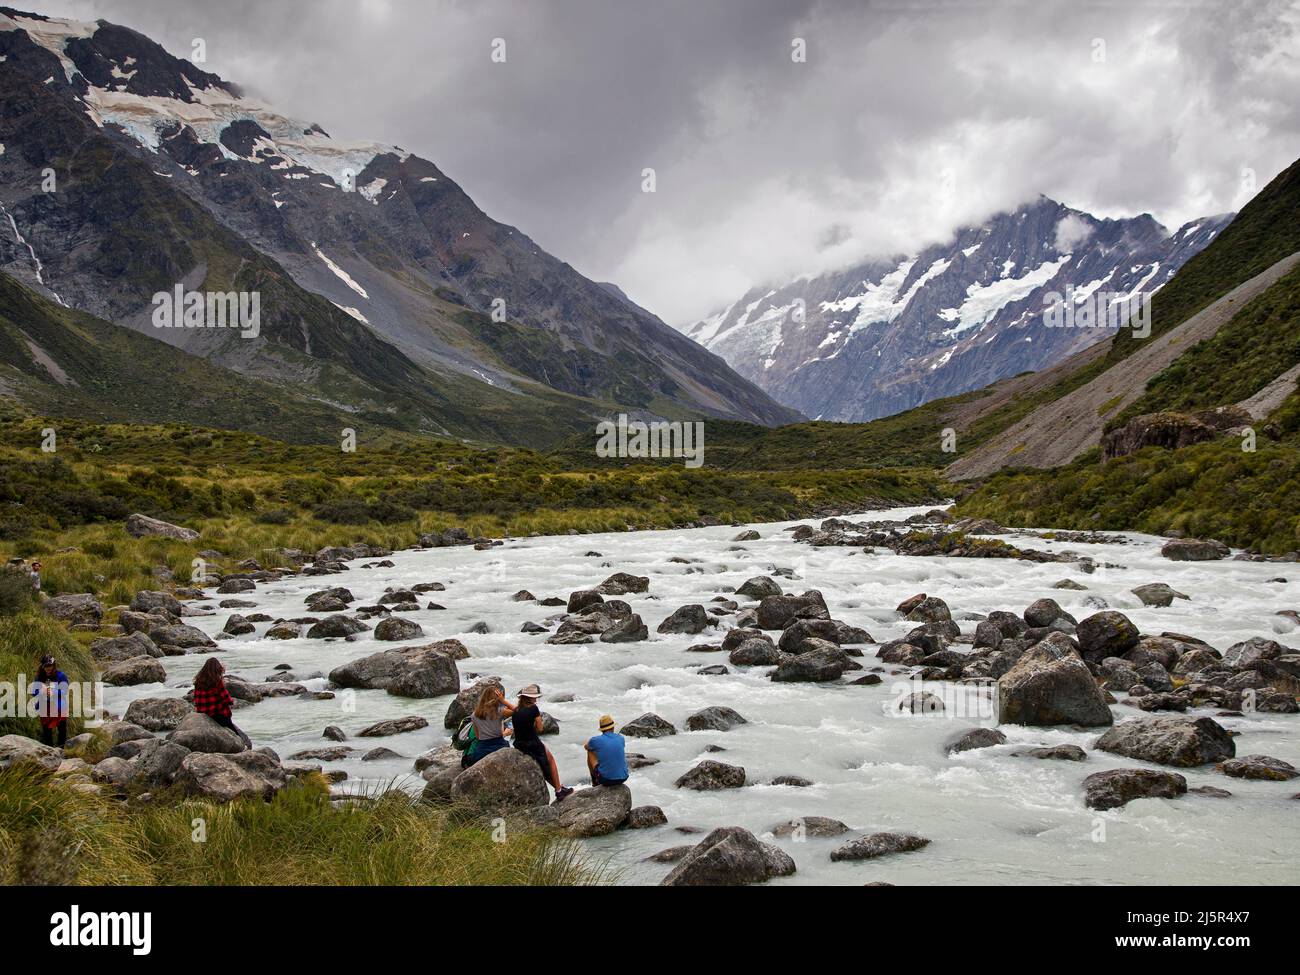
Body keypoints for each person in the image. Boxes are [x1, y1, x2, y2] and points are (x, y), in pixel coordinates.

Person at [510, 684, 573, 801]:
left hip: (519, 744)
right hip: (532, 744)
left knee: (544, 765)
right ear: (529, 697)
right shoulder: (533, 709)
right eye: (534, 697)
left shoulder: (516, 710)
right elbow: (540, 728)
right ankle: (559, 791)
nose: (536, 699)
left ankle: (559, 788)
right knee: (550, 761)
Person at [192, 658, 252, 749]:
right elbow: (226, 697)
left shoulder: (198, 681)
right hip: (217, 714)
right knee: (231, 728)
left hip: (203, 713)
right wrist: (230, 702)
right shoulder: (216, 681)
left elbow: (196, 698)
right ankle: (242, 746)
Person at [462, 684, 514, 768]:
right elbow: (518, 710)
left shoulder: (474, 715)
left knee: (468, 759)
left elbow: (478, 737)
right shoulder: (500, 711)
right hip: (500, 746)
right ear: (497, 699)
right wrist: (503, 701)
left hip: (482, 749)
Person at [30, 655, 69, 748]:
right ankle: (49, 750)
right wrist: (41, 691)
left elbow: (65, 690)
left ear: (53, 665)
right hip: (44, 706)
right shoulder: (39, 677)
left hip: (58, 705)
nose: (48, 668)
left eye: (50, 666)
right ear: (42, 666)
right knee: (46, 730)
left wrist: (53, 691)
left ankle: (61, 749)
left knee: (61, 729)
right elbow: (34, 692)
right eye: (46, 666)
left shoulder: (61, 675)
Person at [584, 714, 628, 787]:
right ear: (613, 727)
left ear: (602, 729)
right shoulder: (621, 738)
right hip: (624, 777)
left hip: (606, 779)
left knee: (590, 751)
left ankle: (595, 782)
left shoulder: (595, 740)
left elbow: (586, 747)